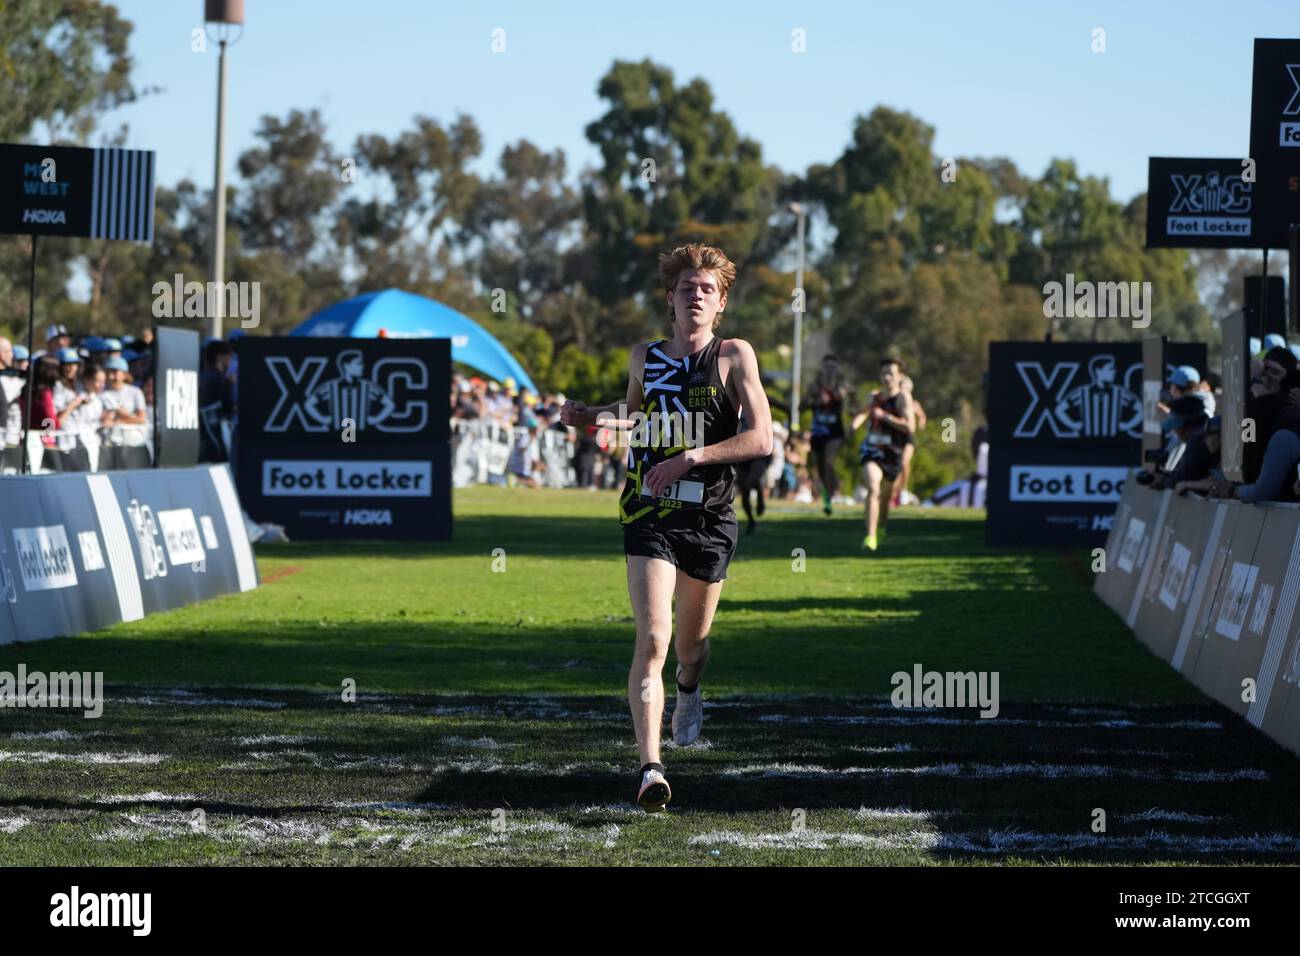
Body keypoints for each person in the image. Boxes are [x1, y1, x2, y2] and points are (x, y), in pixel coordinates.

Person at [560, 242, 772, 812]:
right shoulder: (643, 356)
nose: (695, 296)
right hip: (648, 514)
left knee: (691, 647)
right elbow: (634, 412)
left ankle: (690, 690)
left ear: (721, 302)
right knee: (653, 637)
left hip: (709, 519)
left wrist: (693, 457)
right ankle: (651, 768)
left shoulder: (733, 357)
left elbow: (761, 438)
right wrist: (592, 417)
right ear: (670, 299)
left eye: (706, 289)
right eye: (686, 289)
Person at [851, 357, 915, 552]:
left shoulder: (903, 398)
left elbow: (909, 426)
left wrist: (885, 417)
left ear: (900, 376)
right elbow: (864, 412)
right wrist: (855, 424)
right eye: (884, 373)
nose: (887, 377)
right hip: (872, 450)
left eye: (891, 374)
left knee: (885, 498)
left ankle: (881, 527)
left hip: (892, 454)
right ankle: (870, 537)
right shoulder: (874, 396)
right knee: (873, 488)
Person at [803, 355, 850, 515]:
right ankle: (827, 498)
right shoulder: (815, 386)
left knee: (829, 461)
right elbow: (801, 407)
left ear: (837, 370)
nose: (830, 370)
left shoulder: (842, 385)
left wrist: (852, 409)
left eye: (833, 367)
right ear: (822, 369)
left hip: (835, 432)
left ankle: (834, 488)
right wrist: (817, 402)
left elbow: (855, 401)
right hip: (818, 431)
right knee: (821, 467)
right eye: (827, 367)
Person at [99, 356, 150, 469]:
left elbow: (142, 419)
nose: (111, 376)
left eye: (115, 372)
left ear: (125, 375)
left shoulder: (135, 392)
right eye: (108, 372)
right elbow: (103, 420)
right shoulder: (101, 394)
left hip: (133, 444)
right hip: (109, 445)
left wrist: (121, 417)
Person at [894, 374, 927, 507]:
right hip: (895, 438)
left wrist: (921, 424)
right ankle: (894, 494)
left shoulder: (913, 403)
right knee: (894, 468)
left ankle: (903, 490)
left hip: (908, 438)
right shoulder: (895, 402)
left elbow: (922, 416)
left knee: (904, 462)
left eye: (905, 387)